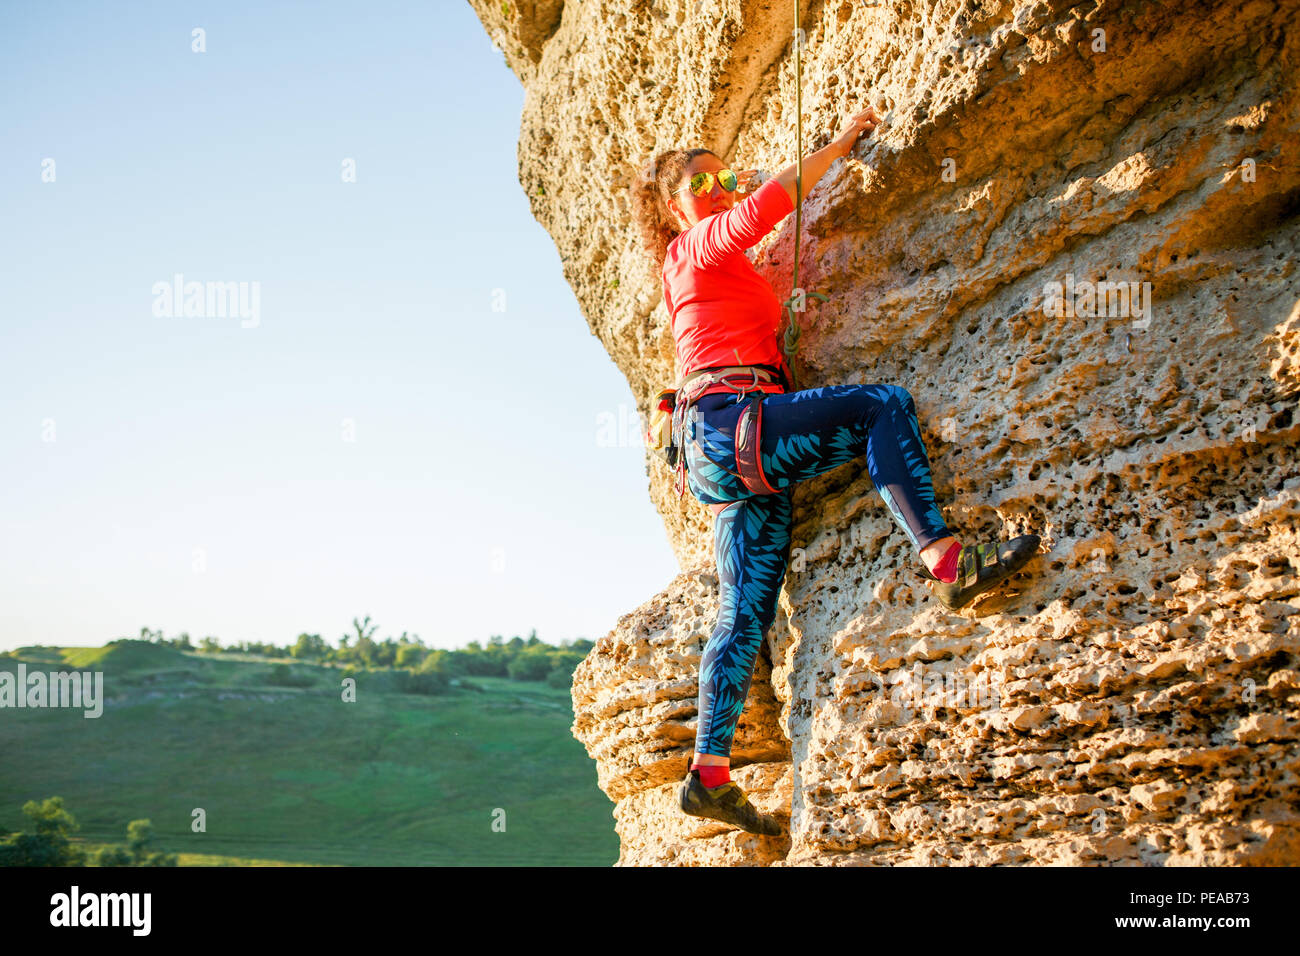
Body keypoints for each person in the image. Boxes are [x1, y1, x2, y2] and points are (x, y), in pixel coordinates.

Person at [628, 107, 1040, 836]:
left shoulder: (684, 269)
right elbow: (773, 200)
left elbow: (717, 293)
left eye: (723, 175)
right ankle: (949, 563)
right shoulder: (700, 244)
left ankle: (710, 771)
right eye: (701, 182)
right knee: (881, 407)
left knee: (742, 612)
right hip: (736, 426)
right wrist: (842, 143)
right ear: (672, 206)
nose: (718, 188)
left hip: (719, 452)